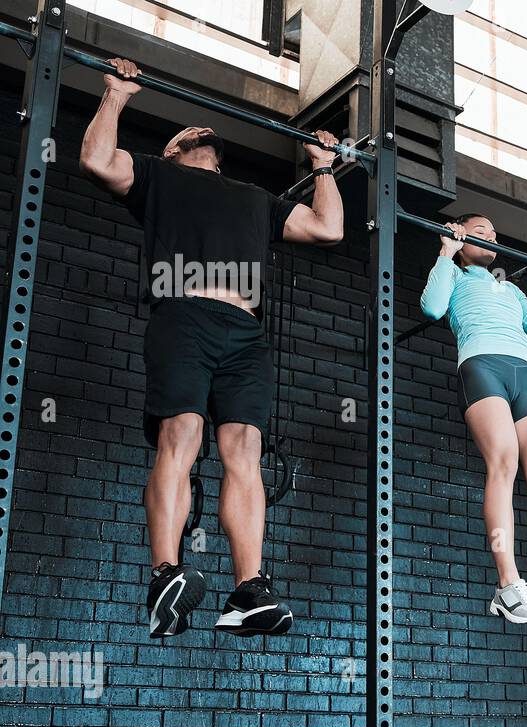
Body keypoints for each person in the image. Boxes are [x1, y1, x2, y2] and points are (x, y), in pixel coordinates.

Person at [80, 58, 346, 639]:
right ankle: (165, 574)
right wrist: (117, 97)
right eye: (181, 134)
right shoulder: (157, 176)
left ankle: (250, 589)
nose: (193, 134)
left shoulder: (255, 197)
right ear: (172, 152)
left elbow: (329, 229)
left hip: (245, 334)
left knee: (244, 450)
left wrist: (323, 167)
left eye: (200, 137)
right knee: (183, 434)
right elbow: (97, 159)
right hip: (184, 316)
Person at [420, 214, 527, 632]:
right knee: (505, 461)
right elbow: (432, 307)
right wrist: (446, 251)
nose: (491, 236)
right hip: (481, 364)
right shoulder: (454, 276)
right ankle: (507, 584)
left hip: (525, 373)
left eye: (494, 231)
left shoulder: (509, 288)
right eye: (480, 230)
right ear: (459, 234)